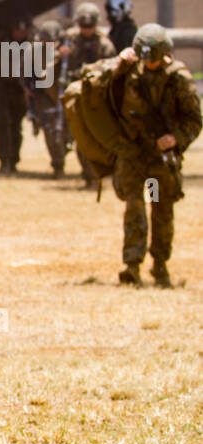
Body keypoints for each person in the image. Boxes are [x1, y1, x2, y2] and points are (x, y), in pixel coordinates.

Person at [82, 24, 200, 288]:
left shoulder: (177, 78)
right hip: (133, 155)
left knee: (160, 208)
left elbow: (194, 120)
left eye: (153, 59)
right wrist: (118, 64)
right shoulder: (127, 71)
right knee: (134, 207)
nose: (148, 64)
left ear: (164, 54)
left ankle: (159, 265)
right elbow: (91, 81)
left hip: (159, 161)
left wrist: (176, 139)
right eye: (144, 59)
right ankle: (132, 265)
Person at [61, 2, 118, 187]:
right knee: (80, 137)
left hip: (97, 98)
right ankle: (88, 175)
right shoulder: (68, 41)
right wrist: (60, 54)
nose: (86, 30)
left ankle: (96, 174)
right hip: (74, 96)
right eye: (83, 26)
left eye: (90, 25)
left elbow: (112, 70)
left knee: (97, 137)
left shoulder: (105, 45)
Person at [0, 17, 31, 175]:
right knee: (3, 124)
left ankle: (14, 161)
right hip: (0, 88)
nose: (20, 33)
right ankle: (4, 160)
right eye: (18, 30)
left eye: (23, 30)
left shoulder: (31, 45)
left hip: (18, 90)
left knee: (16, 125)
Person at [31, 19, 70, 177]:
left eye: (53, 41)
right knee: (51, 132)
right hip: (44, 99)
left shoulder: (67, 51)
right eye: (46, 42)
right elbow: (27, 75)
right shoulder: (35, 53)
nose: (50, 45)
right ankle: (58, 166)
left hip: (64, 97)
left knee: (67, 134)